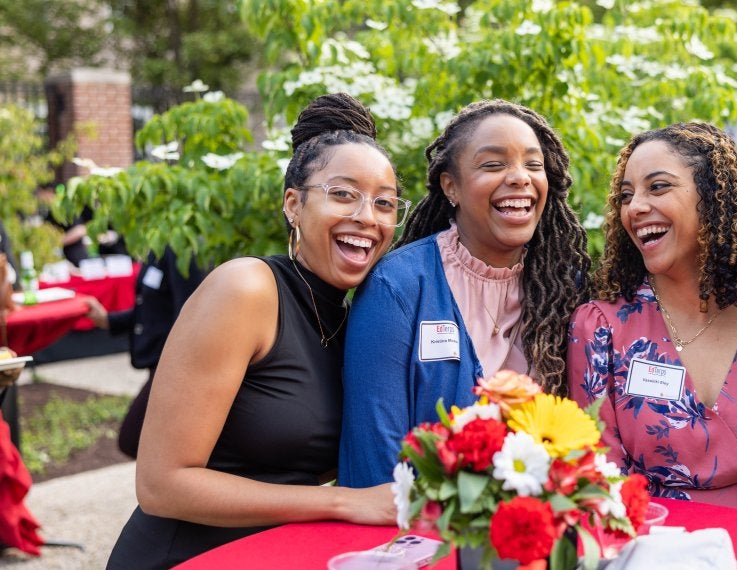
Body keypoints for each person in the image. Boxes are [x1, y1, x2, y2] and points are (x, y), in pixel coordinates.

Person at [106, 92, 409, 568]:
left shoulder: (355, 320)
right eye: (344, 194)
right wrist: (343, 501)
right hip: (189, 557)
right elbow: (161, 485)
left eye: (385, 203)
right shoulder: (247, 288)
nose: (367, 217)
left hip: (276, 555)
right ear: (293, 203)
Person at [339, 99, 590, 488]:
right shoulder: (398, 287)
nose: (520, 177)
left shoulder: (564, 290)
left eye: (533, 164)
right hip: (420, 537)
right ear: (450, 186)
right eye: (493, 164)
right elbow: (375, 465)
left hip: (534, 531)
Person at [567, 122, 737, 520]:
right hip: (657, 544)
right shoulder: (601, 328)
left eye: (658, 187)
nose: (636, 207)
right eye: (626, 196)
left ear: (713, 196)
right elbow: (597, 475)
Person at [82, 246, 208, 458]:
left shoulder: (184, 246)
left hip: (172, 367)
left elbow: (190, 314)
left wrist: (175, 373)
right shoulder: (162, 246)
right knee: (143, 443)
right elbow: (152, 309)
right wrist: (108, 320)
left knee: (135, 439)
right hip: (161, 363)